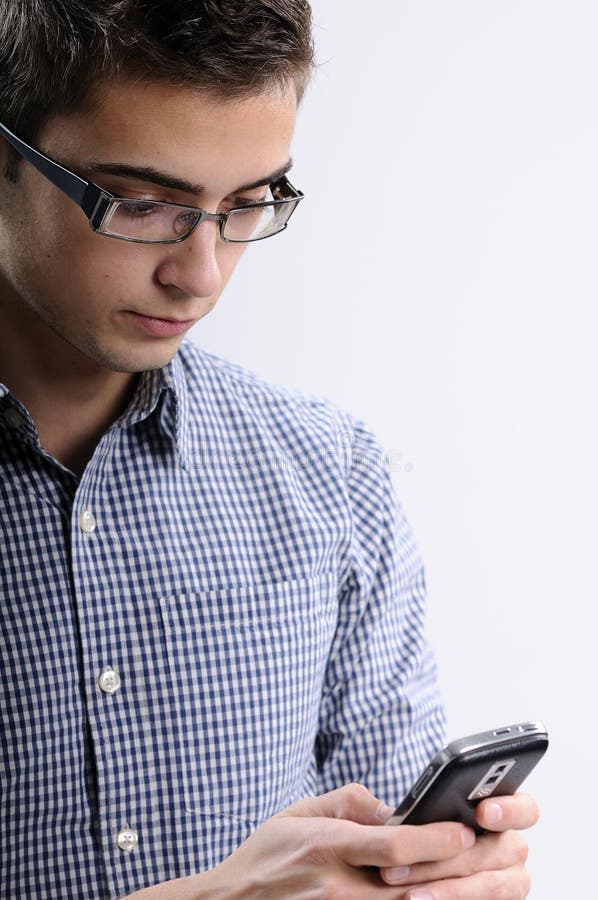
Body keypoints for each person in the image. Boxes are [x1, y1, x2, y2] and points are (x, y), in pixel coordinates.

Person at [0, 2, 539, 898]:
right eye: (140, 203)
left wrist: (434, 878)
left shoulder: (330, 471)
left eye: (248, 204)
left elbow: (377, 846)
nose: (201, 274)